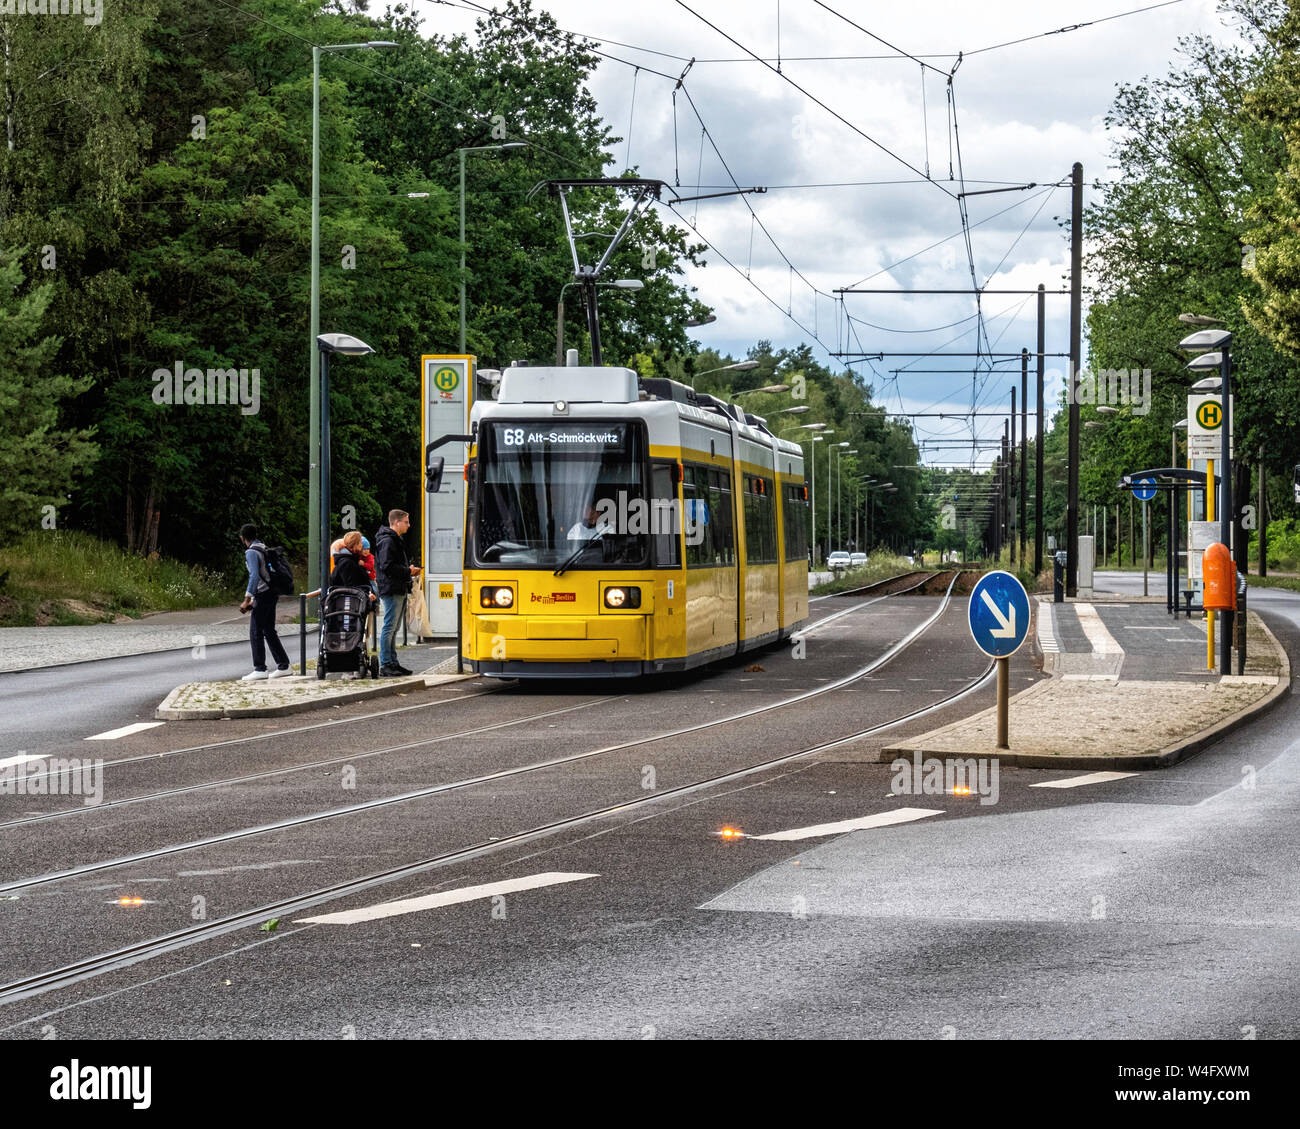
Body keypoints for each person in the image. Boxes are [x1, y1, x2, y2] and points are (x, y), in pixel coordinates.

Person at [238, 524, 292, 681]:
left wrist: (247, 599)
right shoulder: (263, 547)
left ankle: (260, 668)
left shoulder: (251, 552)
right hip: (271, 592)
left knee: (256, 631)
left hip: (263, 594)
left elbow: (254, 576)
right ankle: (284, 665)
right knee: (268, 630)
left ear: (243, 538)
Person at [374, 509, 419, 676]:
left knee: (394, 627)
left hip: (395, 587)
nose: (409, 525)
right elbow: (387, 566)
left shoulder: (392, 539)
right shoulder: (388, 541)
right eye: (406, 522)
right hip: (392, 588)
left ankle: (392, 662)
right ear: (397, 522)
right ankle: (386, 664)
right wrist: (408, 571)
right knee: (390, 627)